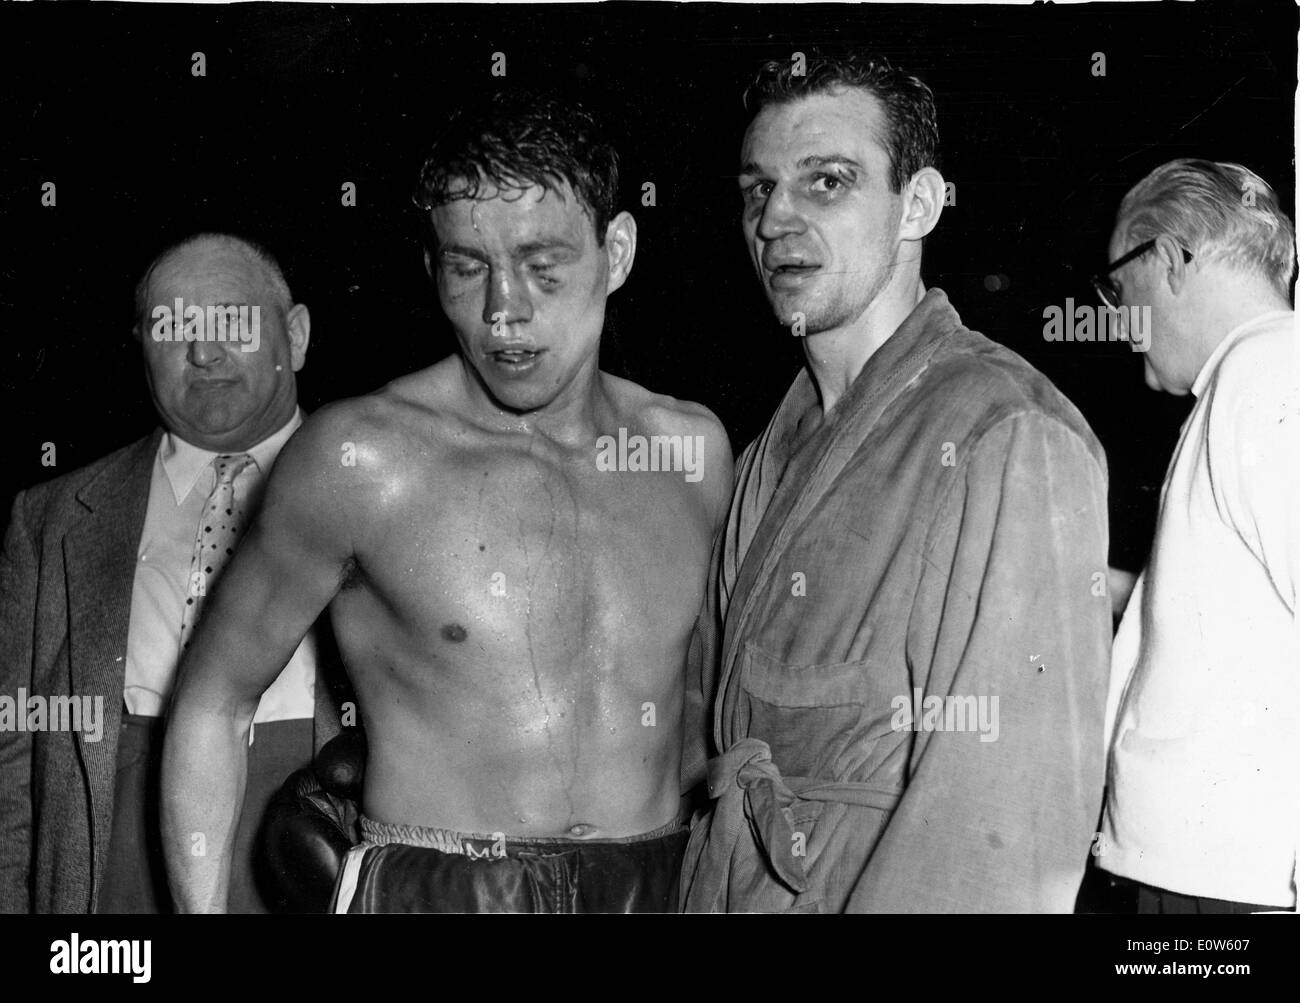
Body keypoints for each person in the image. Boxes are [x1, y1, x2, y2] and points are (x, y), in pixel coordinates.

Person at [161, 91, 733, 914]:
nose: (505, 310)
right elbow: (213, 697)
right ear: (433, 268)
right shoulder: (361, 458)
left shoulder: (695, 453)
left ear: (618, 250)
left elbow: (701, 709)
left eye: (543, 266)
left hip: (658, 882)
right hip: (441, 889)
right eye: (469, 267)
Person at [678, 52, 1112, 913]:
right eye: (757, 189)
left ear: (918, 204)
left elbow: (1003, 829)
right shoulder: (771, 443)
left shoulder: (1006, 430)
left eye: (827, 182)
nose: (776, 219)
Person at [0, 232, 346, 913]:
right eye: (174, 325)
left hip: (319, 858)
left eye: (230, 320)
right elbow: (9, 765)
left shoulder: (384, 493)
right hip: (112, 886)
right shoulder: (49, 520)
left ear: (297, 336)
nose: (204, 349)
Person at [1096, 159, 1297, 913]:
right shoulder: (1243, 381)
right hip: (1203, 881)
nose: (1118, 322)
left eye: (1118, 291)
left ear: (1171, 259)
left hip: (1229, 895)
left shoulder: (1271, 377)